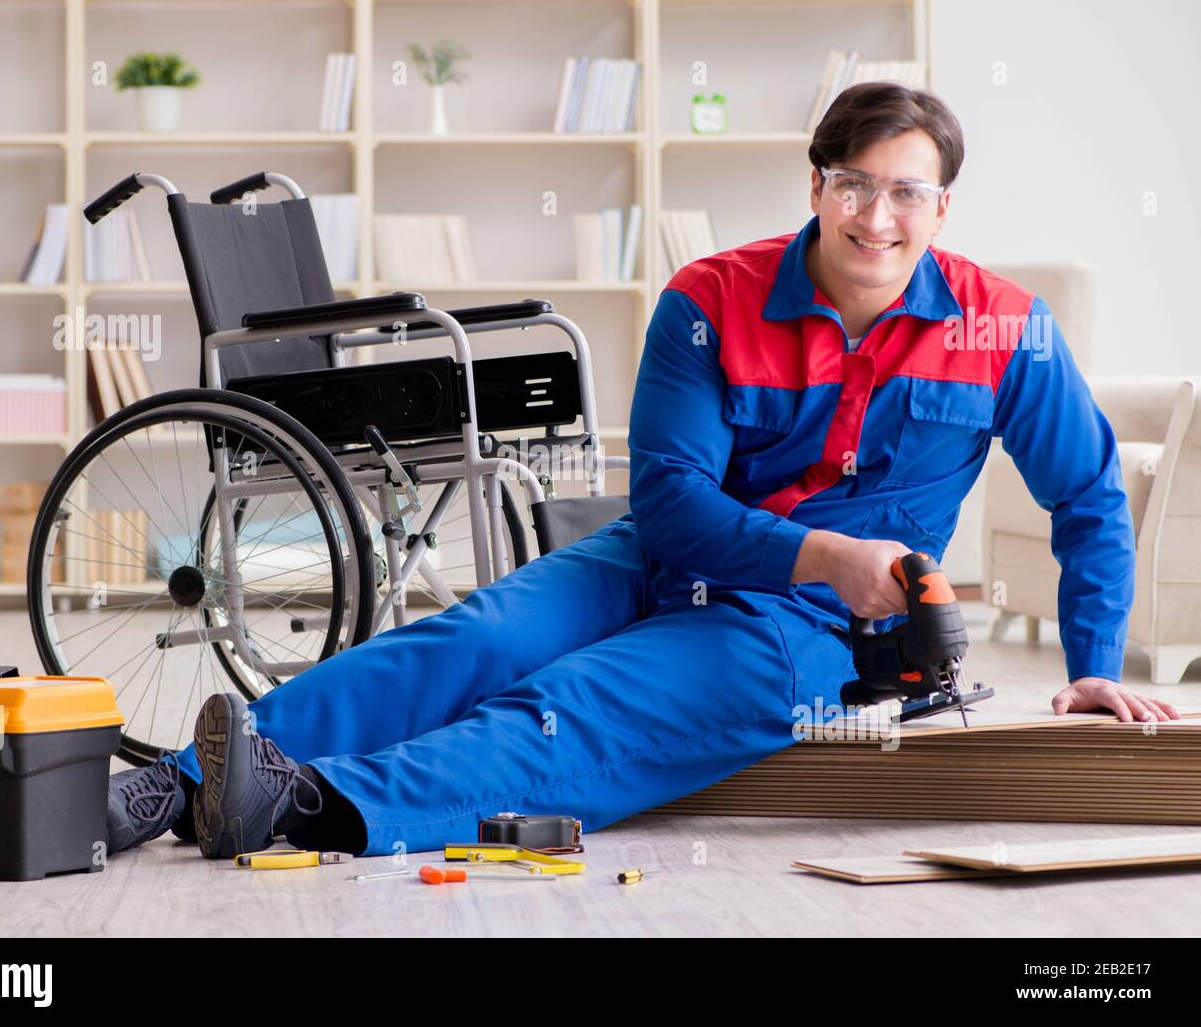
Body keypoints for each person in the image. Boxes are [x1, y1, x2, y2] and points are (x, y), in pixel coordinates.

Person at [105, 81, 1179, 861]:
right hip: (660, 553)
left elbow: (1085, 495)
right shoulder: (710, 298)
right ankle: (173, 782)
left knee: (567, 702)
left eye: (908, 194)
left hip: (817, 628)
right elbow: (668, 500)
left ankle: (301, 807)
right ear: (816, 184)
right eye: (854, 185)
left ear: (942, 209)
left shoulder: (1005, 331)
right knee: (472, 638)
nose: (877, 217)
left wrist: (1090, 660)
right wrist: (823, 547)